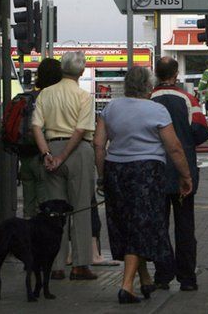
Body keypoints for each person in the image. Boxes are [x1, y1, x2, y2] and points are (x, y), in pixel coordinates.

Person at [94, 67, 193, 304]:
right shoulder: (157, 110)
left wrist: (102, 175)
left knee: (126, 223)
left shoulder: (111, 108)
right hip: (147, 172)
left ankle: (145, 277)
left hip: (116, 170)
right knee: (142, 225)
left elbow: (98, 144)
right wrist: (186, 176)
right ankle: (127, 286)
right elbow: (174, 147)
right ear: (149, 87)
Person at [30, 51, 98, 281]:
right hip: (77, 152)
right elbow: (80, 130)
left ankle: (55, 265)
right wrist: (64, 156)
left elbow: (36, 126)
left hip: (51, 149)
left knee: (53, 211)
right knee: (80, 209)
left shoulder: (45, 94)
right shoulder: (83, 96)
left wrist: (48, 154)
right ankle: (80, 265)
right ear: (81, 71)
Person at [151, 56, 208, 291]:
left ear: (157, 74)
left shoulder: (149, 99)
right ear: (175, 75)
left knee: (159, 224)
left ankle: (162, 275)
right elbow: (201, 130)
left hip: (156, 171)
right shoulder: (188, 99)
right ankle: (187, 278)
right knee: (185, 226)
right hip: (183, 170)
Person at [19, 58, 63, 219]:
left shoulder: (28, 97)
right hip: (43, 157)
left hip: (25, 157)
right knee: (44, 208)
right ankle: (39, 241)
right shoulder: (53, 98)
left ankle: (26, 240)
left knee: (28, 208)